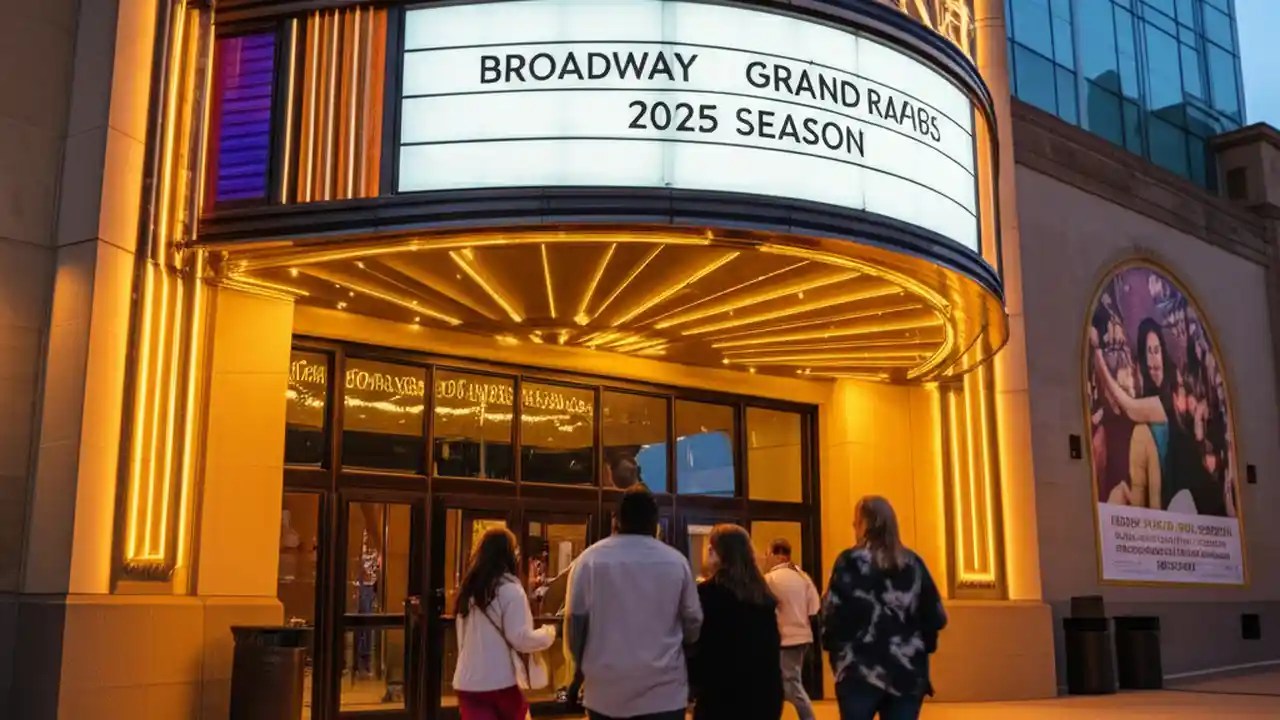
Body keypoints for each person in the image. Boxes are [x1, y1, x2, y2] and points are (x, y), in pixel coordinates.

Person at [566, 484, 703, 720]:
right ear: (655, 522)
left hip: (605, 693)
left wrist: (579, 672)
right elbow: (693, 622)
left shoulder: (589, 561)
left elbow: (575, 625)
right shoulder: (676, 562)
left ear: (615, 520)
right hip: (664, 694)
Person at [822, 496, 945, 720]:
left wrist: (836, 653)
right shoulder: (913, 563)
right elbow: (935, 616)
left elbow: (831, 616)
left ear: (864, 525)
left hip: (859, 670)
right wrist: (922, 645)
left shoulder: (849, 562)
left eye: (855, 522)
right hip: (906, 670)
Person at [453, 527, 557, 720]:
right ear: (509, 554)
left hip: (467, 682)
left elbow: (461, 638)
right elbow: (521, 638)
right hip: (501, 682)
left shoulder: (467, 592)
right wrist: (548, 633)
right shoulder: (510, 590)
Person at [689, 525, 783, 720]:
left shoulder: (708, 593)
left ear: (715, 552)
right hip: (764, 694)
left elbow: (701, 646)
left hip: (720, 695)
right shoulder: (762, 595)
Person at [764, 538, 821, 720]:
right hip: (802, 637)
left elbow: (764, 608)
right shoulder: (804, 577)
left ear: (774, 554)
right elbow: (814, 608)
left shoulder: (769, 579)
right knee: (781, 684)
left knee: (791, 684)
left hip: (783, 638)